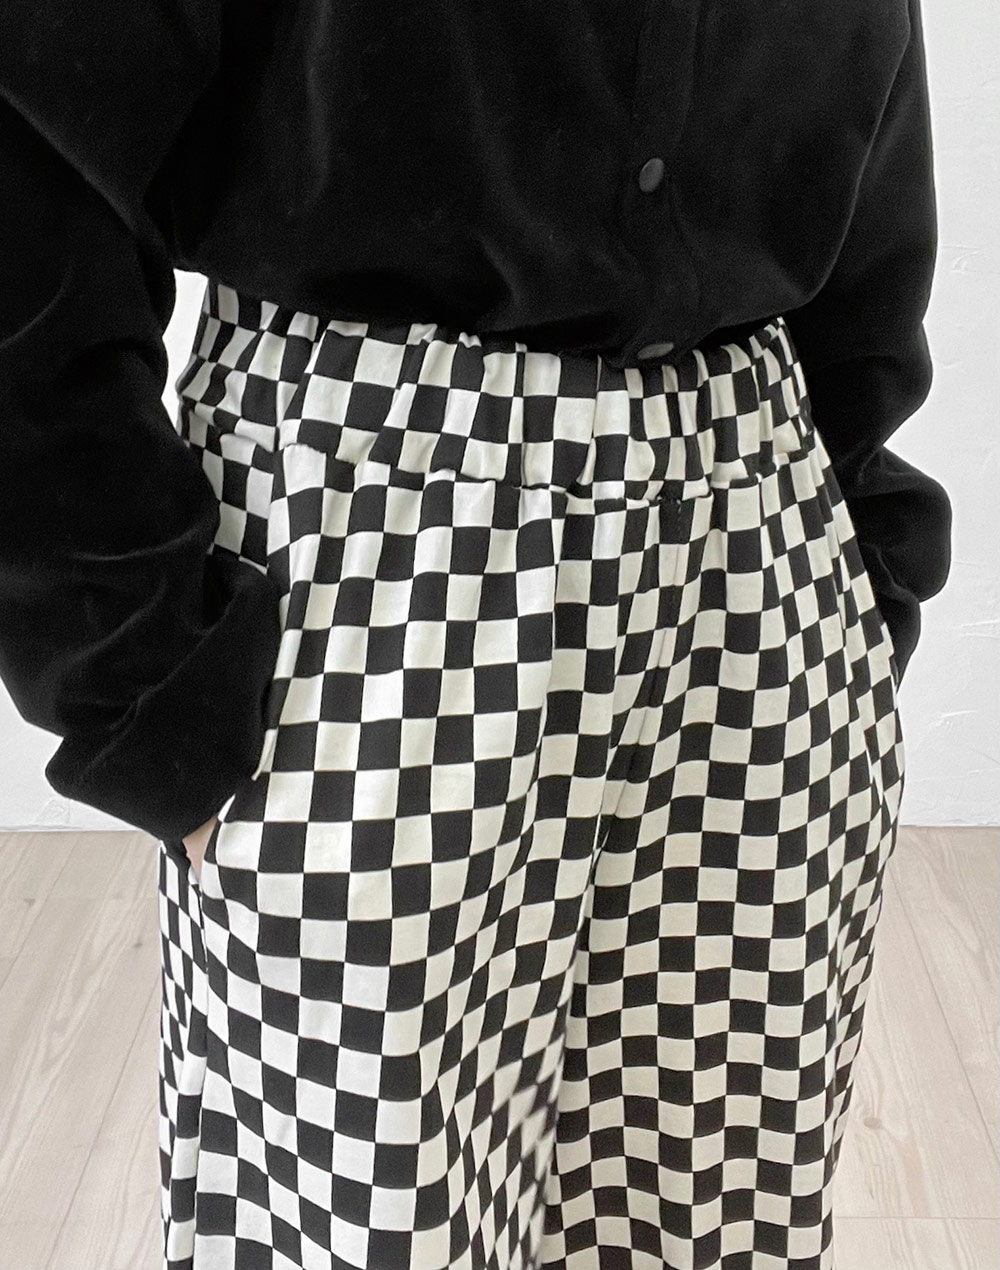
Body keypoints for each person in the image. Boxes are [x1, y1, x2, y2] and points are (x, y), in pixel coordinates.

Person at [0, 2, 952, 1268]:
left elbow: (873, 144)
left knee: (721, 1211)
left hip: (759, 531)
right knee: (364, 1223)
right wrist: (130, 664)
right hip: (381, 538)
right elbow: (30, 153)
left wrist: (860, 560)